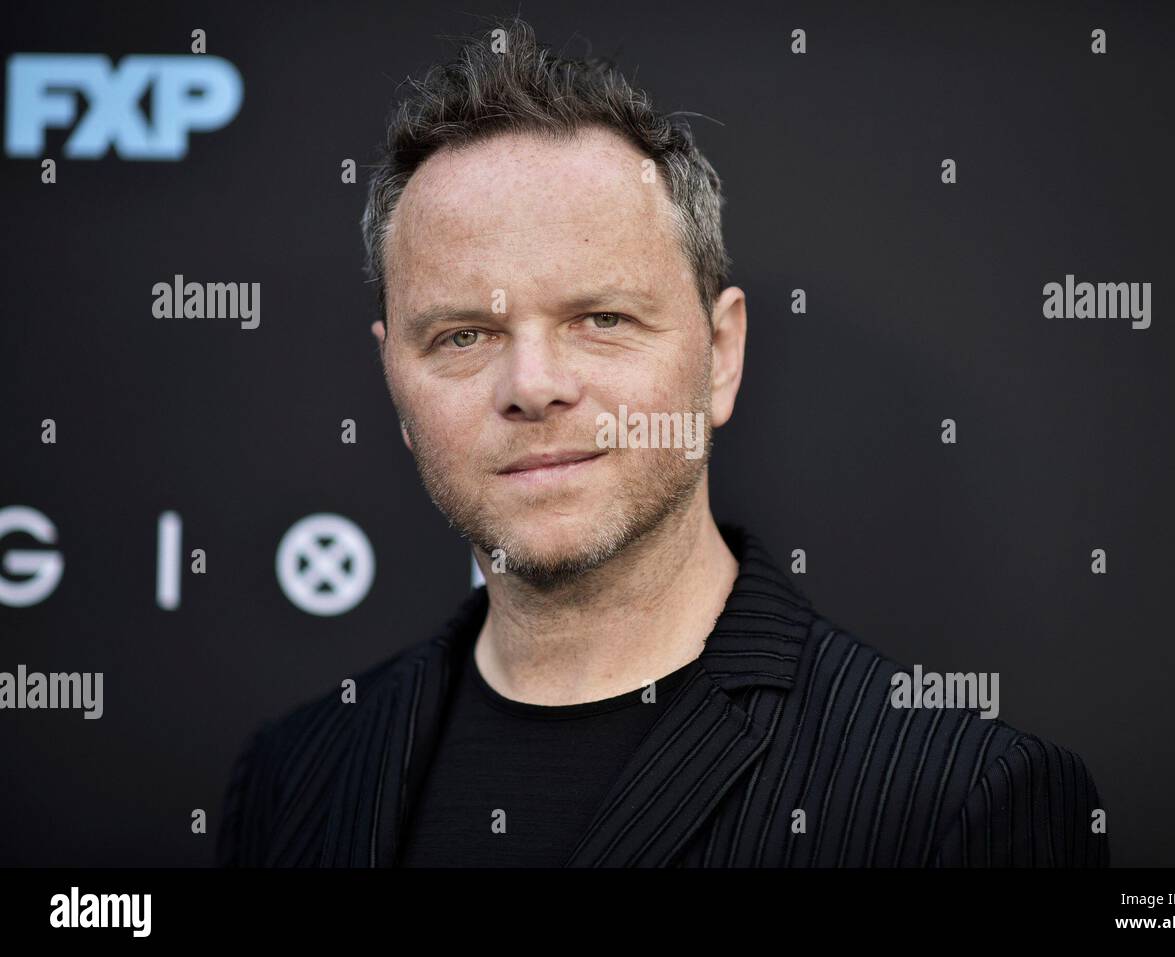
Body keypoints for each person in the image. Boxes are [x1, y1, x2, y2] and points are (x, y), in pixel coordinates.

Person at [216, 16, 1108, 867]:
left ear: (721, 356)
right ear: (393, 380)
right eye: (463, 336)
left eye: (601, 319)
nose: (533, 386)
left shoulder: (960, 796)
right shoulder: (294, 774)